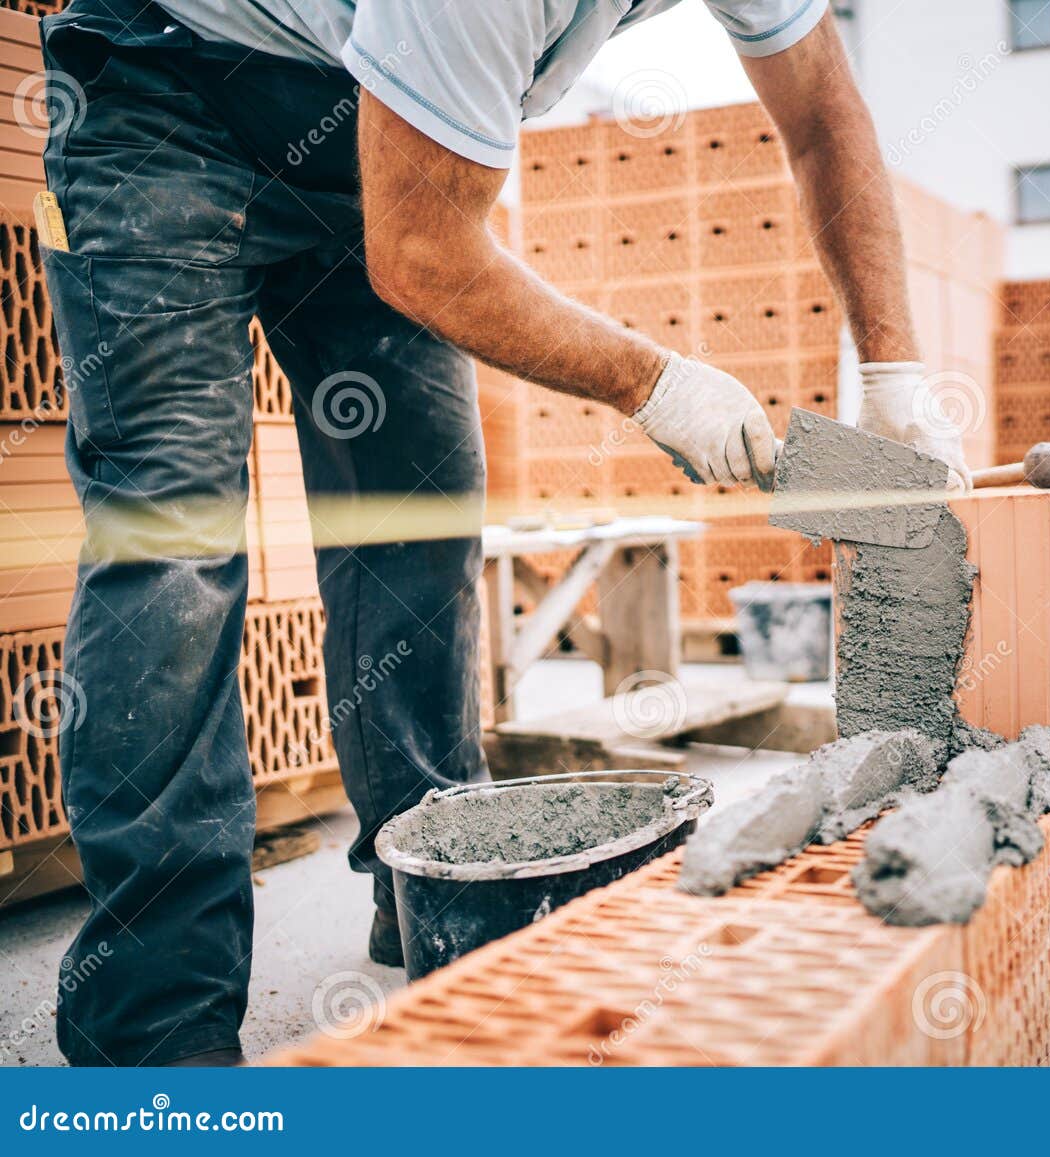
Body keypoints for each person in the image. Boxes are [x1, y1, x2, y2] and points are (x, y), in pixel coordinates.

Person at [38, 0, 969, 1067]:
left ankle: (428, 881)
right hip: (164, 96)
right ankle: (156, 1021)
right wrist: (653, 382)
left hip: (368, 122)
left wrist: (894, 374)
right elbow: (423, 252)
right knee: (173, 542)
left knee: (419, 509)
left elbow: (823, 117)